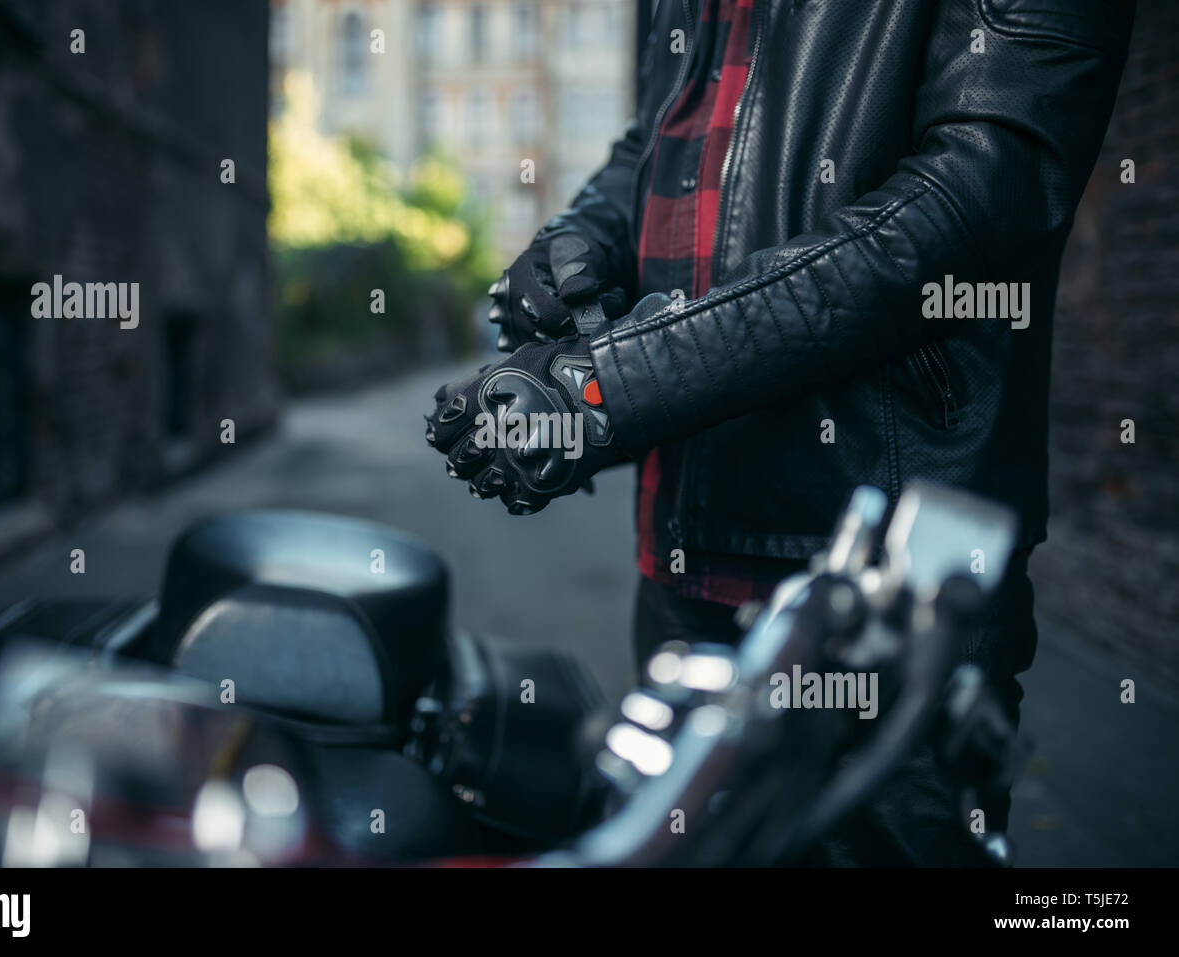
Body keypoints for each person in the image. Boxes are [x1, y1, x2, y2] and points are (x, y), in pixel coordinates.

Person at [425, 0, 1134, 864]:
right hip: (685, 550)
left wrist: (605, 388)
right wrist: (579, 237)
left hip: (878, 582)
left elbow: (973, 199)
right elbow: (655, 140)